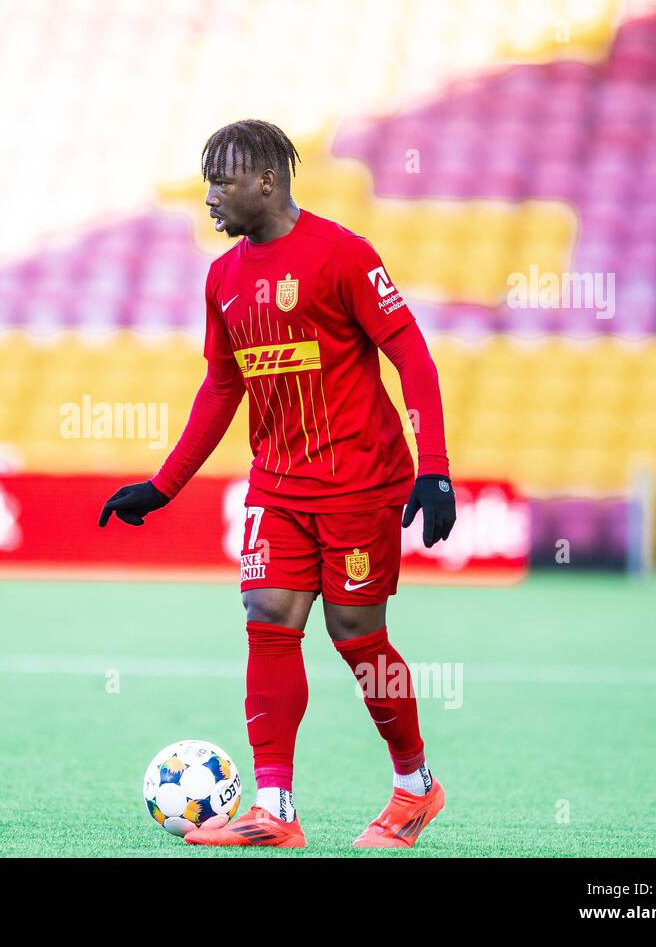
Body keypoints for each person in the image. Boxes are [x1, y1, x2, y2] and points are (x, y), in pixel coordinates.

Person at [99, 120, 456, 848]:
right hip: (278, 486)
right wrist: (164, 486)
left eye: (221, 182)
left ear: (267, 182)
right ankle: (275, 809)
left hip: (359, 481)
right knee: (268, 620)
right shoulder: (222, 277)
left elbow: (411, 356)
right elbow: (221, 387)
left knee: (355, 634)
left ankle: (415, 786)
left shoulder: (342, 255)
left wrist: (436, 468)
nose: (209, 198)